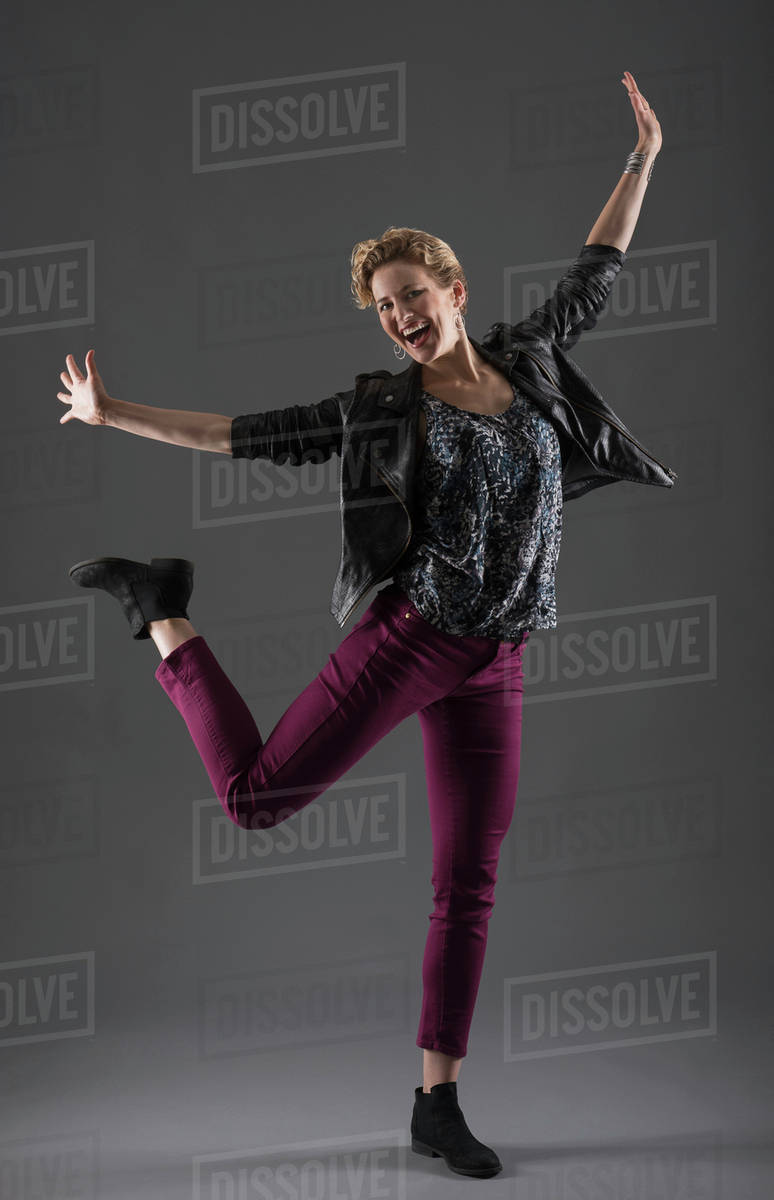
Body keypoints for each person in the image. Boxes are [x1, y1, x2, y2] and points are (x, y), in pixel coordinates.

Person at [58, 72, 668, 1181]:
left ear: (453, 289)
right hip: (413, 640)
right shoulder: (383, 409)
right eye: (382, 308)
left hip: (497, 660)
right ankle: (162, 608)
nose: (398, 317)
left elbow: (599, 267)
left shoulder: (531, 361)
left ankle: (437, 1103)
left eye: (409, 295)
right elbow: (241, 434)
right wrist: (114, 413)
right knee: (255, 800)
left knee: (468, 881)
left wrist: (643, 157)